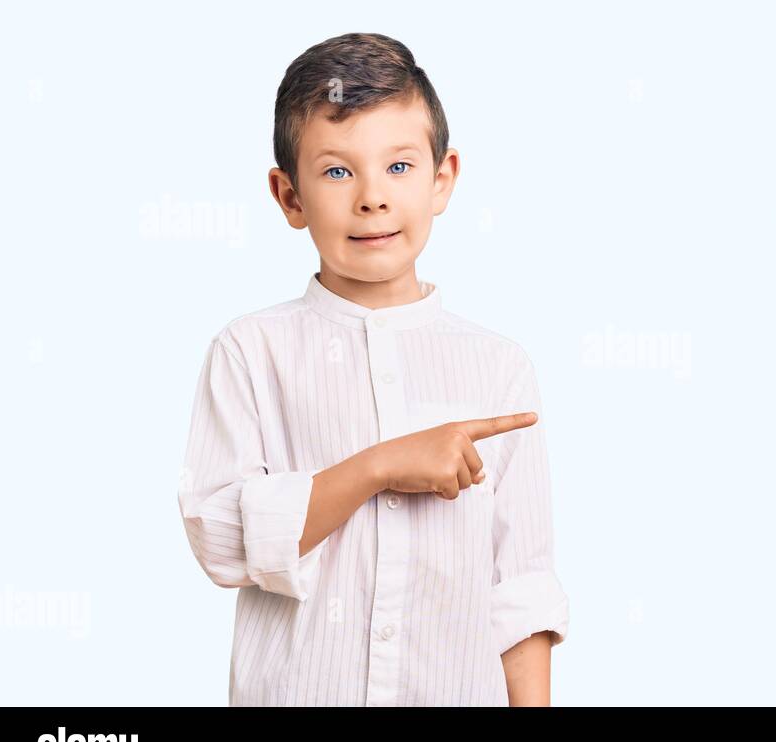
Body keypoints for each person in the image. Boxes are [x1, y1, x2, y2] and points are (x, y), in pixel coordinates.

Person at [176, 32, 568, 707]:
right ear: (289, 196)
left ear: (441, 179)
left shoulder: (499, 368)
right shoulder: (250, 352)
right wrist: (379, 467)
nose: (372, 198)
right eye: (336, 171)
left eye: (398, 167)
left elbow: (520, 587)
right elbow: (221, 536)